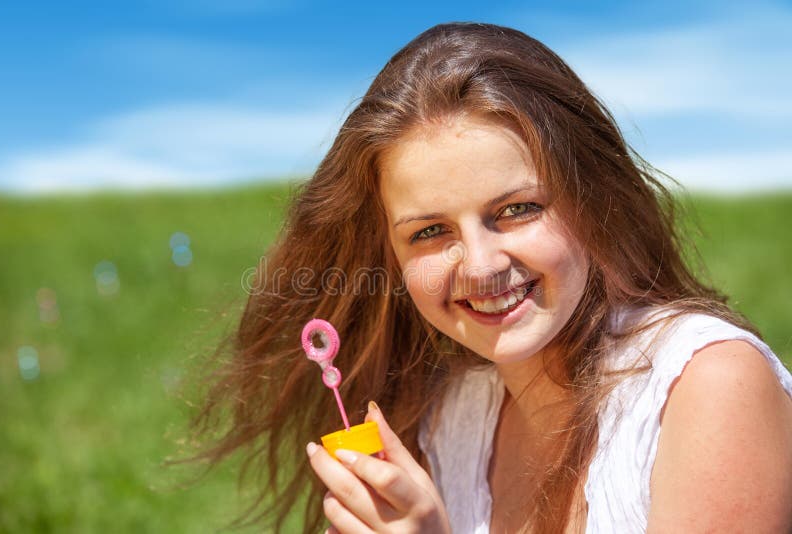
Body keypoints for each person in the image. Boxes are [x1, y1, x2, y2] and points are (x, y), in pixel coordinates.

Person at [191, 23, 792, 533]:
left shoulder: (707, 387)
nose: (480, 265)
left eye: (516, 210)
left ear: (593, 199)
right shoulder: (453, 415)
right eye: (430, 231)